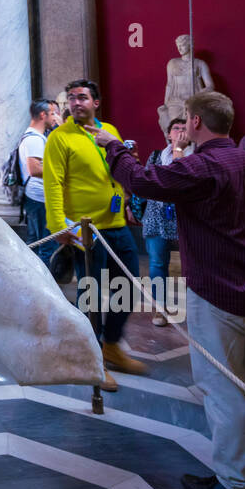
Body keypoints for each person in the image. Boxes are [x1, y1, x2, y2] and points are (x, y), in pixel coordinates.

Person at [96, 90, 245, 489]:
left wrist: (114, 148)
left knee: (222, 388)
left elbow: (143, 182)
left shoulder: (203, 165)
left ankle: (234, 484)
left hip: (217, 291)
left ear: (194, 122)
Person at [43, 78, 146, 385]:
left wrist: (130, 169)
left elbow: (117, 167)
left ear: (95, 103)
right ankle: (90, 359)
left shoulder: (109, 131)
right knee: (91, 295)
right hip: (85, 229)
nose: (75, 103)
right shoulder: (60, 137)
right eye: (71, 98)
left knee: (128, 286)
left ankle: (112, 345)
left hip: (115, 225)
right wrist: (58, 224)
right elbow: (53, 183)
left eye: (82, 97)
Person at [132, 118, 190, 327]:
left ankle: (196, 308)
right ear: (168, 134)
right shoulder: (156, 156)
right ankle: (160, 308)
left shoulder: (197, 157)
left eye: (185, 128)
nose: (181, 131)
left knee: (192, 265)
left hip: (186, 221)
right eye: (176, 128)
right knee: (157, 264)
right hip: (157, 218)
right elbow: (145, 183)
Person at [19, 100, 57, 267]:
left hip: (35, 196)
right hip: (39, 197)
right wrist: (60, 173)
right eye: (53, 113)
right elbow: (34, 169)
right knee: (47, 244)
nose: (55, 117)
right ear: (43, 115)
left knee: (36, 240)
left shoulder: (35, 137)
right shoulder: (34, 139)